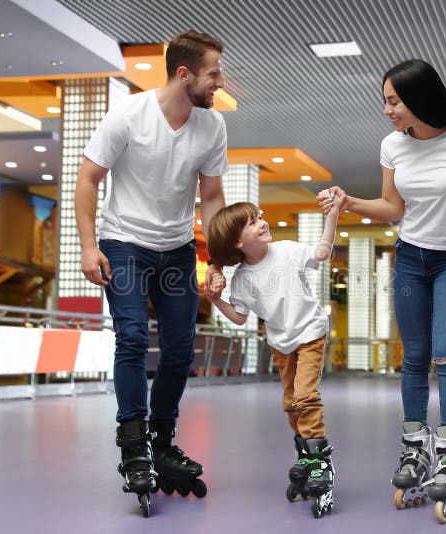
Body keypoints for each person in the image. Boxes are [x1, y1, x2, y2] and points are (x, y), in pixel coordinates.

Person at [319, 59, 446, 523]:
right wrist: (348, 201)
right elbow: (392, 207)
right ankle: (415, 451)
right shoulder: (392, 146)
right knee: (415, 358)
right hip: (410, 260)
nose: (387, 110)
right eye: (385, 101)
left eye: (393, 101)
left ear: (420, 99)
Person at [74, 30, 228, 515]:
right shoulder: (128, 115)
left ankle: (161, 439)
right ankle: (133, 444)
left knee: (180, 348)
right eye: (213, 74)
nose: (220, 83)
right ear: (184, 74)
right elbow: (88, 178)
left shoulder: (212, 126)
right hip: (124, 244)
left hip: (177, 249)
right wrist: (88, 247)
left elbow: (212, 197)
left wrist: (217, 259)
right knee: (134, 338)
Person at [205, 200, 340, 518]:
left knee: (305, 395)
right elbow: (240, 317)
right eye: (253, 222)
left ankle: (320, 460)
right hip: (281, 343)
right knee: (291, 403)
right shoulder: (242, 279)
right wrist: (215, 299)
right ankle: (306, 454)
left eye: (260, 217)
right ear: (238, 242)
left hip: (310, 333)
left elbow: (321, 252)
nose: (262, 222)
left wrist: (332, 216)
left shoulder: (287, 251)